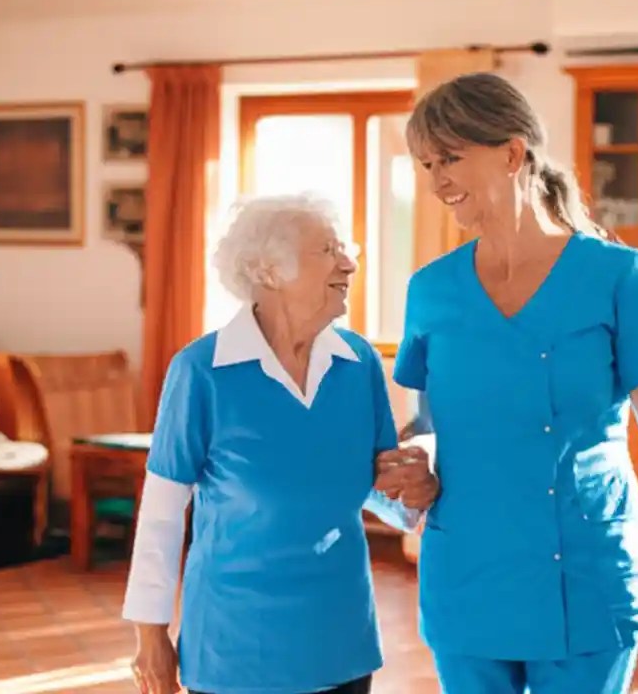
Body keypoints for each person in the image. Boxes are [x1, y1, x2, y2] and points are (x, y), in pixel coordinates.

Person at [376, 72, 638, 694]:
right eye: (426, 164)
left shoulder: (616, 276)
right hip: (466, 573)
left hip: (587, 577)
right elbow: (434, 428)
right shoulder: (431, 290)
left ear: (513, 152)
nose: (437, 180)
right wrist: (419, 465)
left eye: (451, 158)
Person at [122, 192, 440, 694]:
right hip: (235, 647)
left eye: (345, 248)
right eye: (328, 250)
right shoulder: (202, 372)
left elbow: (381, 486)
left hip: (341, 640)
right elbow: (162, 513)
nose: (349, 262)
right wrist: (150, 634)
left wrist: (413, 493)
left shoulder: (357, 364)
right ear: (268, 271)